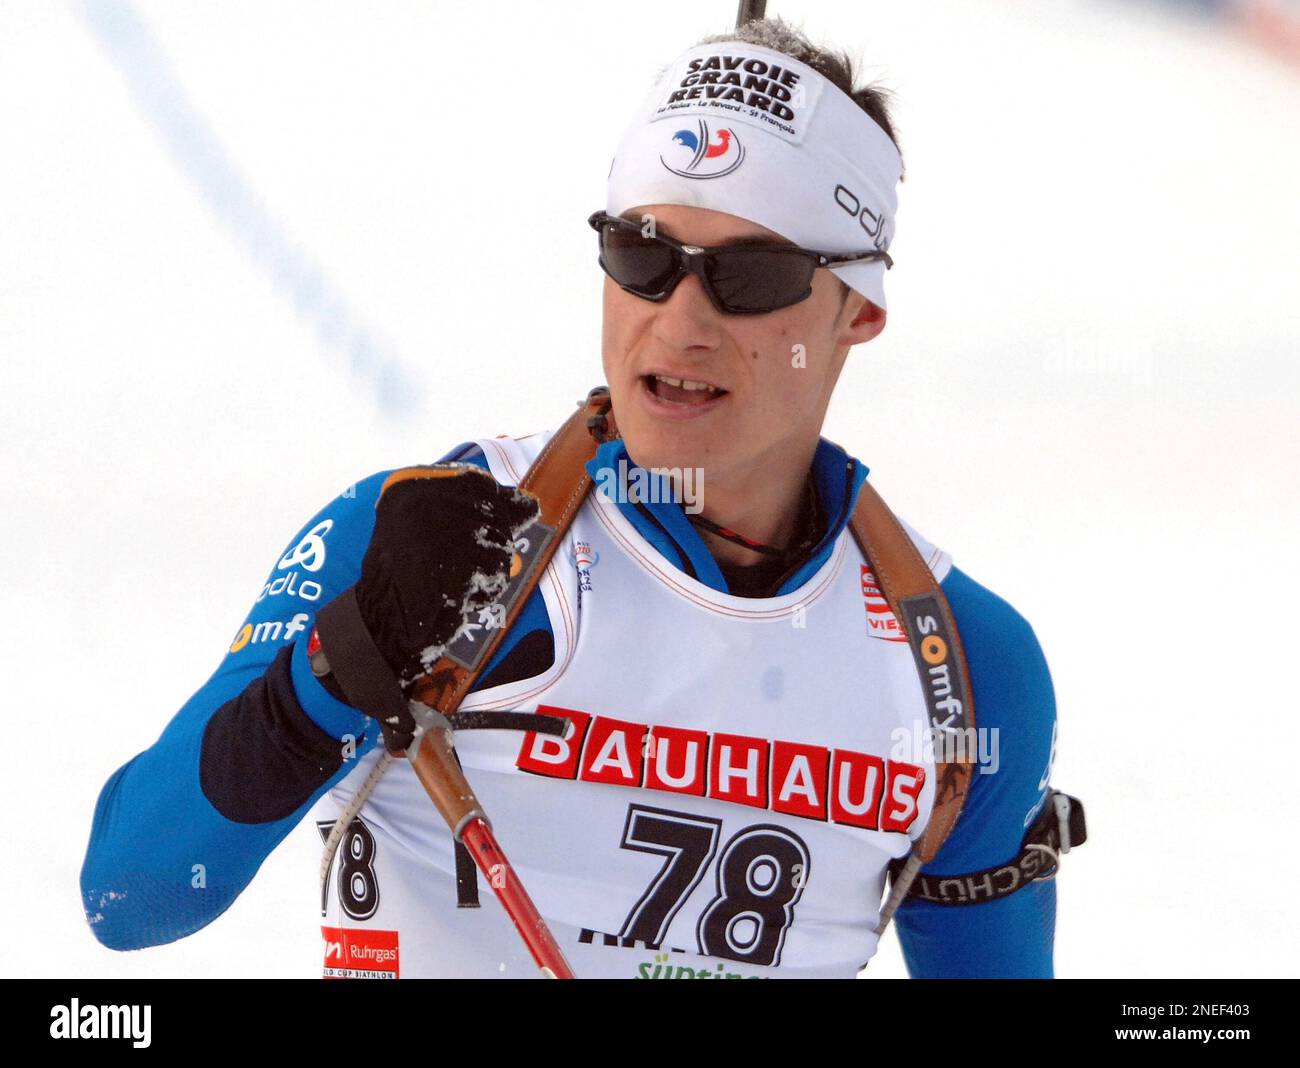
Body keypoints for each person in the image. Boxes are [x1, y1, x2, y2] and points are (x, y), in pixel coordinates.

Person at [81, 17, 1068, 979]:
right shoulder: (435, 540)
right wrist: (347, 660)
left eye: (749, 276)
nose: (679, 323)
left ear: (857, 310)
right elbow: (131, 894)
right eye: (641, 256)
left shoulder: (960, 667)